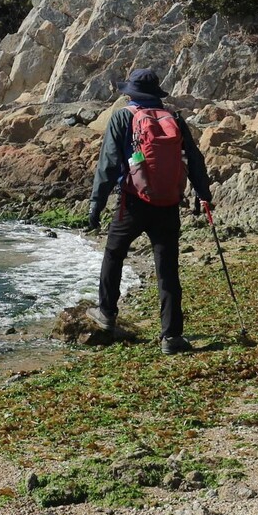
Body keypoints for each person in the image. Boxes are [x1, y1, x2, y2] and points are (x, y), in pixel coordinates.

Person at [85, 67, 212, 353]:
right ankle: (172, 336)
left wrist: (97, 202)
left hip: (133, 201)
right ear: (157, 95)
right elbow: (194, 159)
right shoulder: (175, 119)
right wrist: (204, 195)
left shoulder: (123, 116)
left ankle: (106, 313)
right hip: (168, 203)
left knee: (114, 254)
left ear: (130, 94)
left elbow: (108, 163)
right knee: (167, 268)